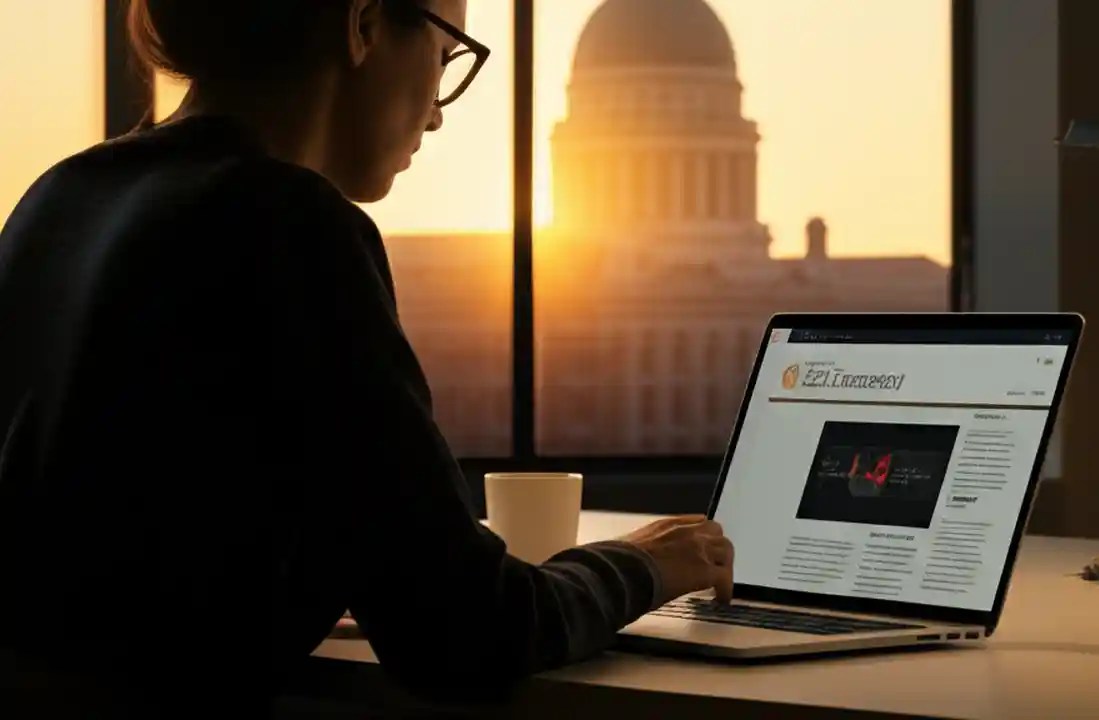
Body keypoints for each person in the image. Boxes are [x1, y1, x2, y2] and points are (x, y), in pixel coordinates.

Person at [0, 0, 733, 714]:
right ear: (363, 24)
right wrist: (645, 562)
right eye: (446, 57)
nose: (440, 111)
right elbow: (469, 634)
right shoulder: (287, 225)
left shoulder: (60, 198)